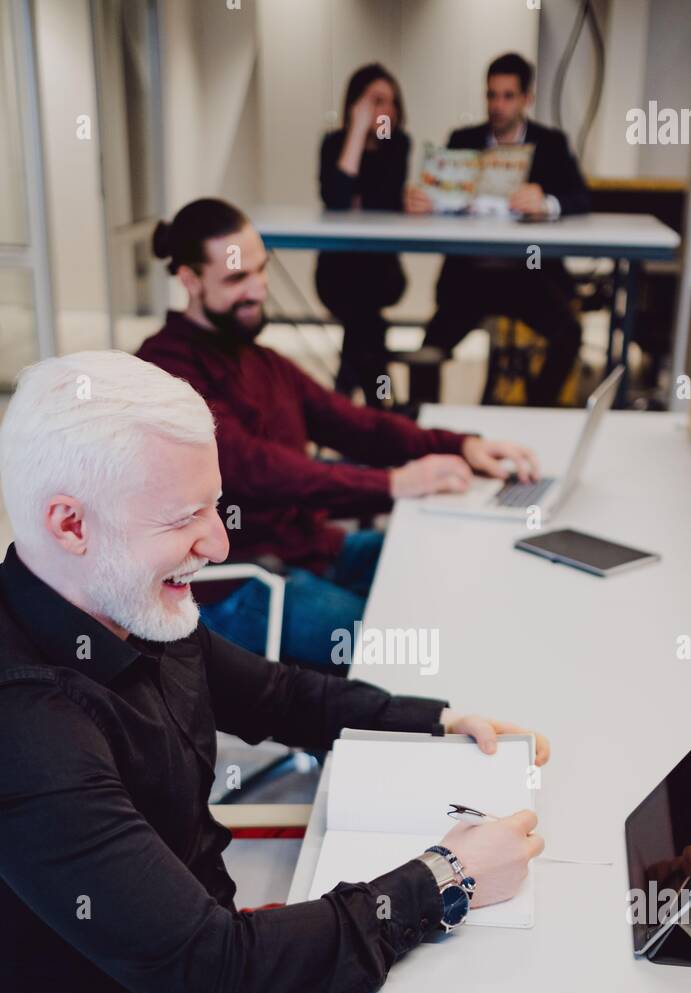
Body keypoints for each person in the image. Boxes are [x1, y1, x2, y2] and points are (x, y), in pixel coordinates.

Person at [0, 350, 548, 993]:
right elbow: (218, 973)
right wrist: (443, 880)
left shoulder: (126, 597)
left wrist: (434, 721)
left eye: (213, 504)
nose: (219, 542)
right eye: (184, 516)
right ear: (70, 524)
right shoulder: (15, 725)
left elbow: (275, 695)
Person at [138, 198, 538, 669]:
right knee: (404, 648)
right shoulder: (165, 371)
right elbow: (259, 471)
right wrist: (394, 485)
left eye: (261, 271)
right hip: (240, 580)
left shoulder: (259, 360)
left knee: (451, 572)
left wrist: (460, 445)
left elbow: (356, 425)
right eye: (236, 278)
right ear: (189, 280)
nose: (258, 290)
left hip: (310, 551)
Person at [405, 52, 590, 407]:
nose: (497, 105)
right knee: (428, 348)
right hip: (471, 276)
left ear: (526, 99)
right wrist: (428, 201)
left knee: (569, 334)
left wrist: (547, 200)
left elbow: (581, 198)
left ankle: (536, 409)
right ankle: (424, 428)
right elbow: (441, 194)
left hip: (528, 274)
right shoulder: (462, 139)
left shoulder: (549, 144)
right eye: (491, 95)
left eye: (507, 96)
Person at [316, 63, 410, 406]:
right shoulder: (335, 143)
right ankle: (379, 404)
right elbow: (338, 200)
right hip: (336, 274)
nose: (383, 110)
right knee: (367, 321)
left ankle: (346, 394)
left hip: (383, 272)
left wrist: (360, 197)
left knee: (362, 314)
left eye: (390, 102)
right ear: (356, 104)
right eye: (374, 101)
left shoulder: (397, 145)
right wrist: (356, 131)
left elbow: (382, 202)